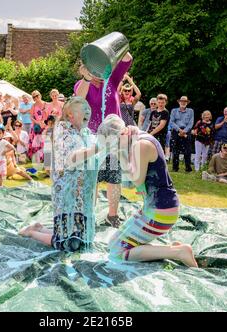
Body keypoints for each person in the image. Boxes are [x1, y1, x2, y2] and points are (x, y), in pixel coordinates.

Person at [98, 114, 198, 268]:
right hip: (154, 208)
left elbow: (136, 180)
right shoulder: (137, 137)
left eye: (116, 143)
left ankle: (178, 252)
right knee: (112, 243)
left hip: (161, 212)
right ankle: (173, 249)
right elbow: (135, 181)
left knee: (118, 253)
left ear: (123, 133)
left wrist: (119, 155)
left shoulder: (141, 145)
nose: (116, 147)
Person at [19, 97, 98, 252]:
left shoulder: (86, 132)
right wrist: (99, 148)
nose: (88, 110)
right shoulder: (64, 132)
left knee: (79, 239)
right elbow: (72, 158)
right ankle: (32, 232)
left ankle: (41, 228)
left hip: (80, 195)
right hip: (66, 195)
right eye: (83, 108)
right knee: (66, 244)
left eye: (88, 107)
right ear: (70, 115)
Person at [74, 51, 133, 228]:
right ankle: (88, 215)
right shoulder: (81, 84)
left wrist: (106, 48)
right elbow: (79, 100)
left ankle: (112, 216)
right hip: (92, 140)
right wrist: (86, 79)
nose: (97, 71)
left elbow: (127, 58)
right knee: (91, 178)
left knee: (114, 177)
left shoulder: (112, 79)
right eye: (93, 67)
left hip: (114, 140)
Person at [169, 96, 194, 172]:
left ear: (187, 103)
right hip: (176, 131)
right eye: (182, 101)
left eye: (185, 101)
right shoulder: (174, 111)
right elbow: (171, 122)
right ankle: (175, 168)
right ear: (179, 102)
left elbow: (191, 123)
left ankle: (188, 168)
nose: (183, 102)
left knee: (187, 150)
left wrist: (184, 131)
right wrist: (179, 130)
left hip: (186, 131)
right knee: (175, 150)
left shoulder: (190, 111)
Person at [28, 91, 48, 163]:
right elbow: (31, 117)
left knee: (45, 142)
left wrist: (44, 122)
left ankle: (45, 157)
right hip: (36, 126)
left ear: (40, 95)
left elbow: (49, 115)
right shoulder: (33, 106)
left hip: (45, 125)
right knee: (37, 142)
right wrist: (37, 122)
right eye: (34, 97)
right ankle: (38, 158)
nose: (36, 98)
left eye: (37, 95)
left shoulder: (46, 104)